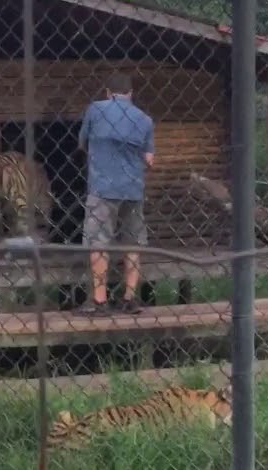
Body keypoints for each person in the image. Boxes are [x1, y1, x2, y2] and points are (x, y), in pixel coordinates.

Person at [76, 72, 156, 316]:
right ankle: (130, 299)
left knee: (98, 241)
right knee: (133, 242)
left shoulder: (95, 110)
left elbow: (82, 143)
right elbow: (150, 160)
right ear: (130, 94)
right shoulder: (145, 119)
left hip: (103, 188)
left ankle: (99, 301)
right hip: (132, 188)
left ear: (107, 92)